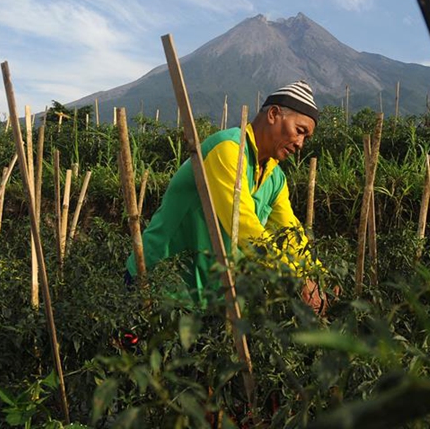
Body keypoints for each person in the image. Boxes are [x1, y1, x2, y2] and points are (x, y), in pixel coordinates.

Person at [125, 81, 329, 313]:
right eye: (299, 131)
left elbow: (290, 232)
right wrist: (297, 278)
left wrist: (319, 278)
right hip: (158, 282)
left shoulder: (275, 176)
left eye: (306, 137)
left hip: (204, 296)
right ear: (273, 114)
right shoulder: (227, 150)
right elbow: (244, 228)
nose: (301, 144)